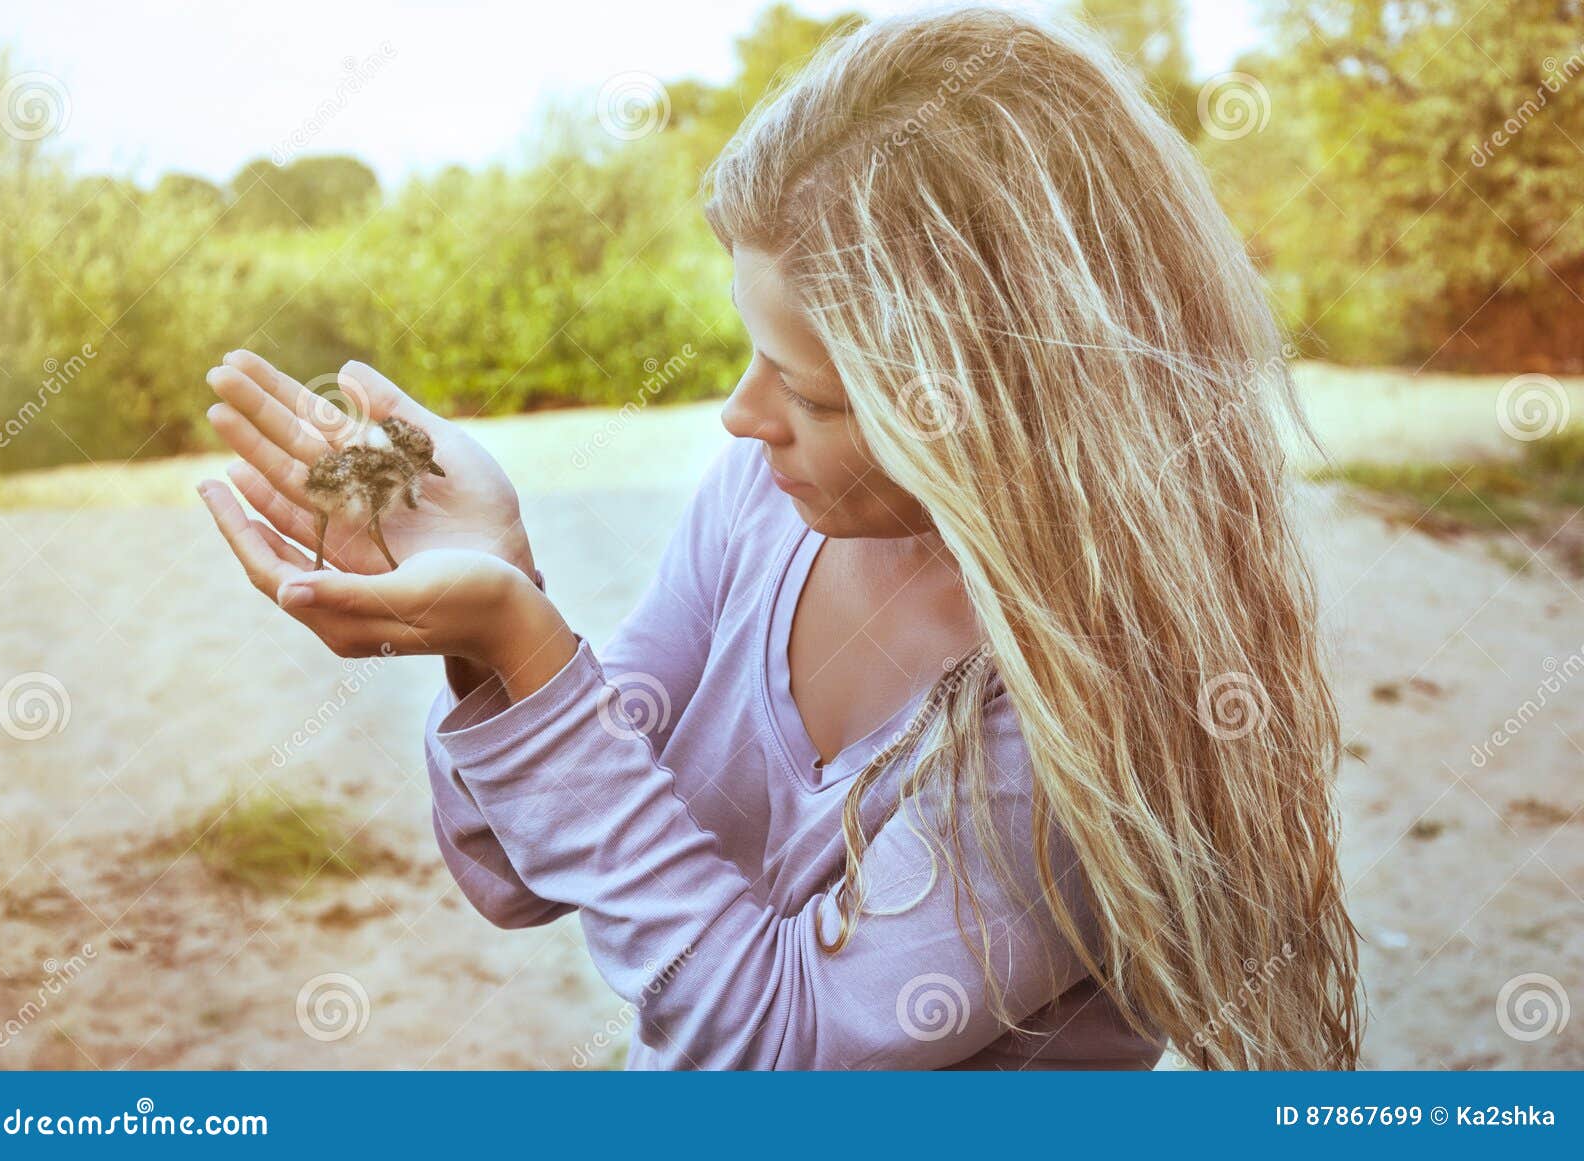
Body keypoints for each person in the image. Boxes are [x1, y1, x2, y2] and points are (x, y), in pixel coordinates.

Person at [198, 4, 1364, 1069]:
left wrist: (526, 646)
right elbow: (514, 872)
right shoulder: (758, 503)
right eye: (752, 352)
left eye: (812, 394)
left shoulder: (1102, 690)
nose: (742, 416)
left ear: (1008, 405)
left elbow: (780, 1048)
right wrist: (497, 611)